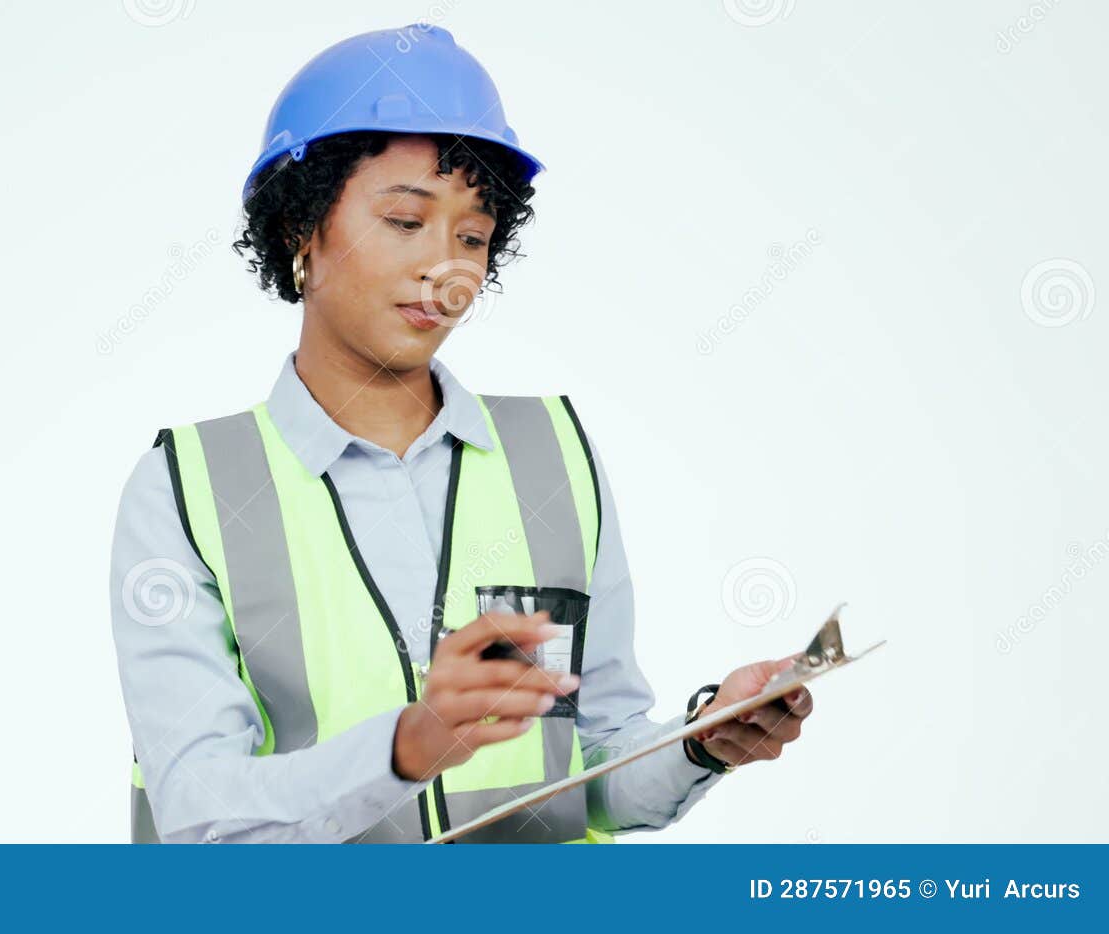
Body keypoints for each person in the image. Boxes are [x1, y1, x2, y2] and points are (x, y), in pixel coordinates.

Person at [107, 24, 813, 844]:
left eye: (472, 238)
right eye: (407, 222)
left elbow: (594, 771)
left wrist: (701, 745)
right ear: (302, 230)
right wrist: (406, 747)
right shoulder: (189, 487)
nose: (446, 270)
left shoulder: (552, 455)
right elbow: (200, 813)